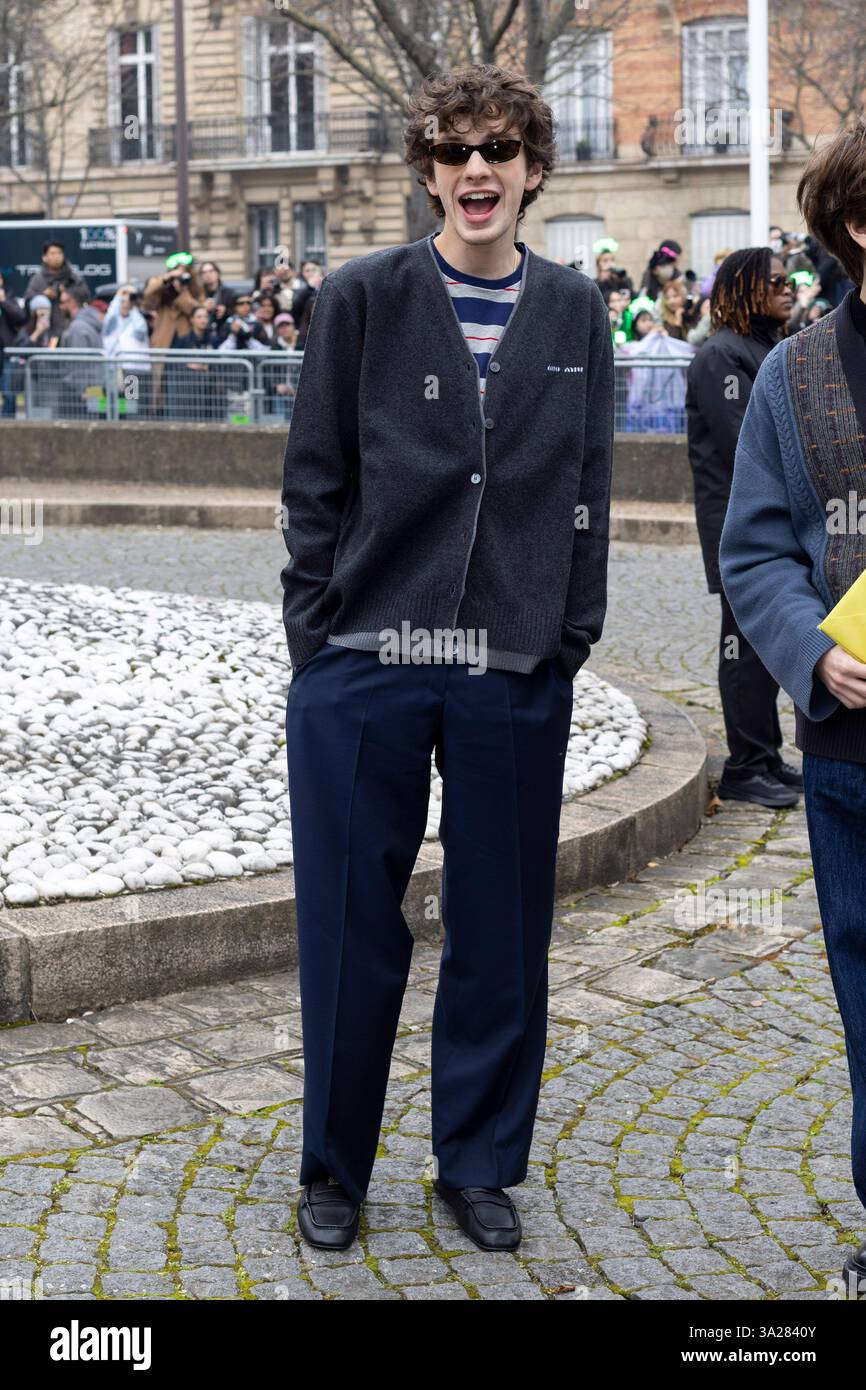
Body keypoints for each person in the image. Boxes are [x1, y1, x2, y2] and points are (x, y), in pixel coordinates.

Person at [280, 61, 614, 1254]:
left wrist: (568, 633)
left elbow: (588, 484)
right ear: (426, 171)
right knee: (349, 923)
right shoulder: (363, 297)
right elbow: (313, 480)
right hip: (365, 656)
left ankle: (476, 1160)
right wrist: (317, 643)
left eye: (496, 149)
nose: (475, 169)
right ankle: (335, 1165)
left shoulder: (574, 310)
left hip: (512, 662)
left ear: (530, 169)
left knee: (500, 922)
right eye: (451, 149)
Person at [719, 115, 866, 1294]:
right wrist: (810, 656)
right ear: (856, 226)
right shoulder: (794, 373)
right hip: (851, 754)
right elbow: (756, 551)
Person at [687, 247, 801, 807]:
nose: (789, 288)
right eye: (776, 281)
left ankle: (767, 755)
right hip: (739, 528)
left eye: (791, 280)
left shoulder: (769, 347)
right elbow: (747, 449)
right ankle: (744, 765)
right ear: (743, 288)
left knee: (769, 644)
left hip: (777, 526)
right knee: (743, 646)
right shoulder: (719, 357)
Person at [102, 284, 152, 418]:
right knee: (114, 402)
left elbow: (141, 330)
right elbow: (110, 315)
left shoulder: (136, 320)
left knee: (132, 402)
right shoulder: (113, 322)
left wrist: (133, 305)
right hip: (115, 370)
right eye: (122, 302)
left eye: (127, 301)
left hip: (132, 371)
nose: (125, 304)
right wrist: (119, 295)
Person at [24, 240, 88, 340]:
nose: (57, 257)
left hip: (70, 328)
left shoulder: (73, 278)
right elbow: (28, 303)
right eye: (52, 253)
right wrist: (43, 296)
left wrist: (66, 293)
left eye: (59, 253)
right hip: (44, 331)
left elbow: (85, 297)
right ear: (45, 257)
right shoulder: (38, 280)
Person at [0, 272, 27, 416]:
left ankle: (7, 424)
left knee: (9, 392)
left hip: (7, 353)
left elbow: (21, 318)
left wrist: (3, 301)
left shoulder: (9, 298)